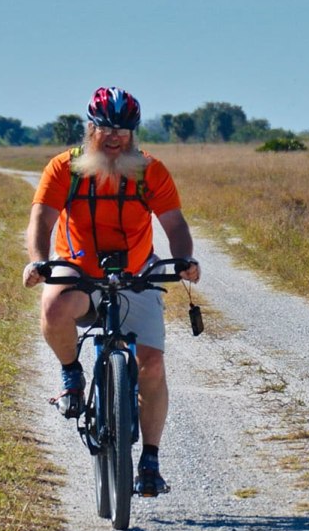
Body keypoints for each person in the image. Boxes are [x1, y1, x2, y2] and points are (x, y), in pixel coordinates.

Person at [22, 86, 200, 496]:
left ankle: (150, 460)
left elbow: (175, 224)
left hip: (136, 273)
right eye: (107, 128)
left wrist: (185, 259)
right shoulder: (64, 169)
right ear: (91, 128)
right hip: (79, 271)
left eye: (125, 129)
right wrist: (37, 260)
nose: (116, 137)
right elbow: (43, 221)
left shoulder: (150, 171)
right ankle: (71, 372)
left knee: (152, 365)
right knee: (53, 309)